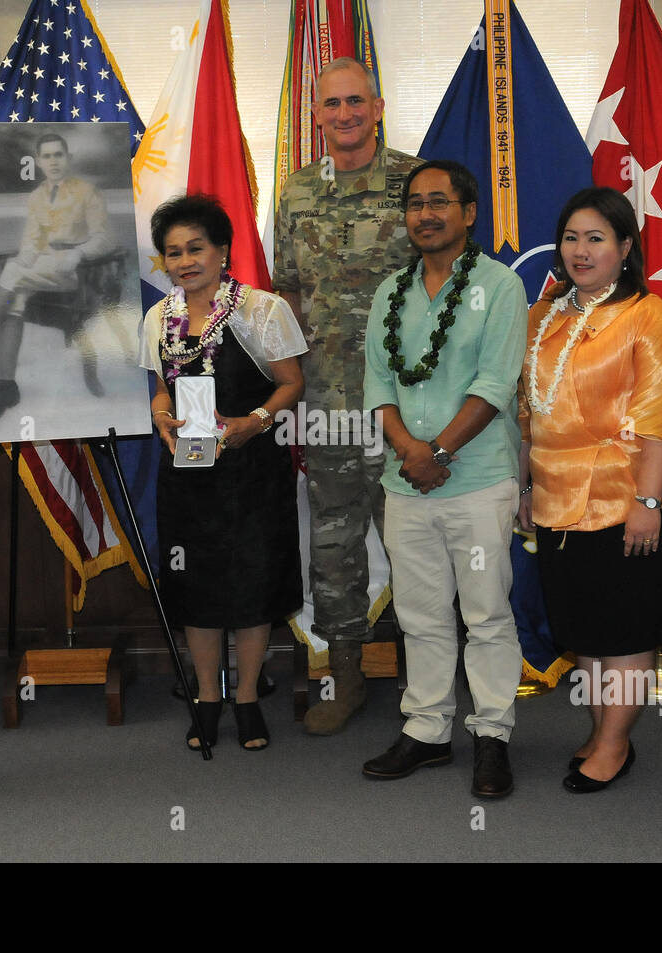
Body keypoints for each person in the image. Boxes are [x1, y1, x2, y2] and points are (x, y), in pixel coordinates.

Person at [517, 187, 662, 793]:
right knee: (585, 630)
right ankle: (603, 729)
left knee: (625, 633)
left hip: (628, 502)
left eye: (596, 238)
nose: (580, 250)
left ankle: (615, 743)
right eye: (571, 237)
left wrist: (647, 505)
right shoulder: (542, 317)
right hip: (554, 501)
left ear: (626, 248)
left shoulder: (649, 316)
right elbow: (529, 414)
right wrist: (525, 486)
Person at [361, 160, 527, 798]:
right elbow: (380, 382)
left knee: (486, 614)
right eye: (415, 204)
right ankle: (427, 731)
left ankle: (493, 734)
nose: (425, 214)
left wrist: (438, 451)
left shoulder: (500, 286)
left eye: (439, 202)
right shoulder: (389, 292)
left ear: (469, 212)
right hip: (406, 484)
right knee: (421, 614)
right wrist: (410, 452)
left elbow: (495, 382)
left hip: (477, 480)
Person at [272, 57, 422, 735]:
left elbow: (445, 284)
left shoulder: (417, 185)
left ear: (378, 105)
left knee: (417, 542)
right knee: (334, 546)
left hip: (407, 404)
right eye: (331, 104)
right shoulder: (298, 192)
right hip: (329, 405)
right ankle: (347, 675)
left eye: (355, 102)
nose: (343, 115)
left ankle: (430, 680)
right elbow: (289, 293)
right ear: (319, 113)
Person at [139, 194, 307, 751]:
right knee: (197, 585)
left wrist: (251, 423)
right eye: (173, 253)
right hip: (187, 474)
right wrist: (161, 414)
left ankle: (249, 696)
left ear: (223, 251)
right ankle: (207, 695)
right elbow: (163, 386)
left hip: (252, 469)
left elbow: (292, 383)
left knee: (254, 582)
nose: (185, 261)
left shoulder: (262, 309)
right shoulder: (158, 317)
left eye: (196, 248)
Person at [0, 133, 113, 421]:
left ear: (67, 159)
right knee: (13, 298)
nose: (53, 161)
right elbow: (31, 243)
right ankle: (6, 386)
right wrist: (24, 257)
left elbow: (103, 239)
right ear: (40, 161)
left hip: (75, 274)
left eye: (58, 155)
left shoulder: (86, 192)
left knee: (12, 278)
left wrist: (79, 253)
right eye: (47, 156)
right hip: (40, 271)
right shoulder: (37, 197)